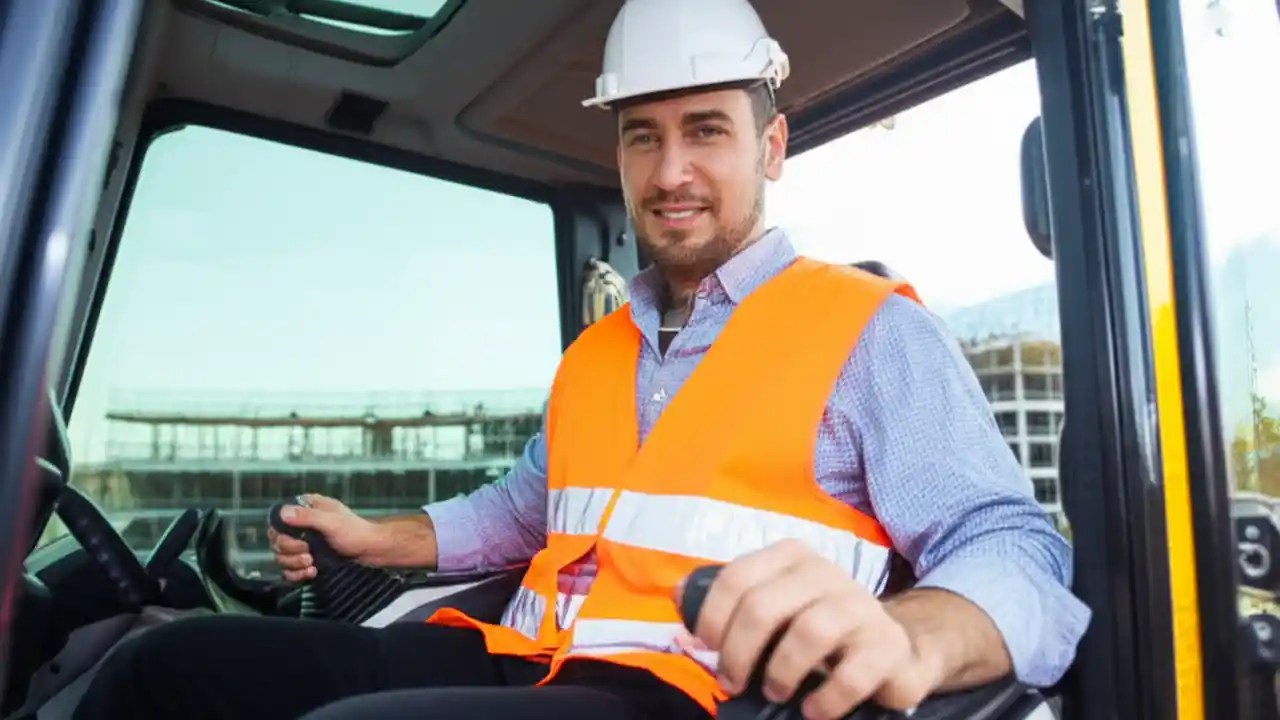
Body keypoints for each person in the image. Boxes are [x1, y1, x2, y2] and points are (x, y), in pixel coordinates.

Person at [71, 0, 1089, 718]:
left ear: (771, 147)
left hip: (693, 694)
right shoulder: (599, 352)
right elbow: (523, 512)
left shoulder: (870, 331)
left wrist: (906, 635)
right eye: (642, 138)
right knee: (168, 669)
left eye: (705, 132)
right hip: (524, 656)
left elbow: (1008, 548)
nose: (671, 170)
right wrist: (372, 535)